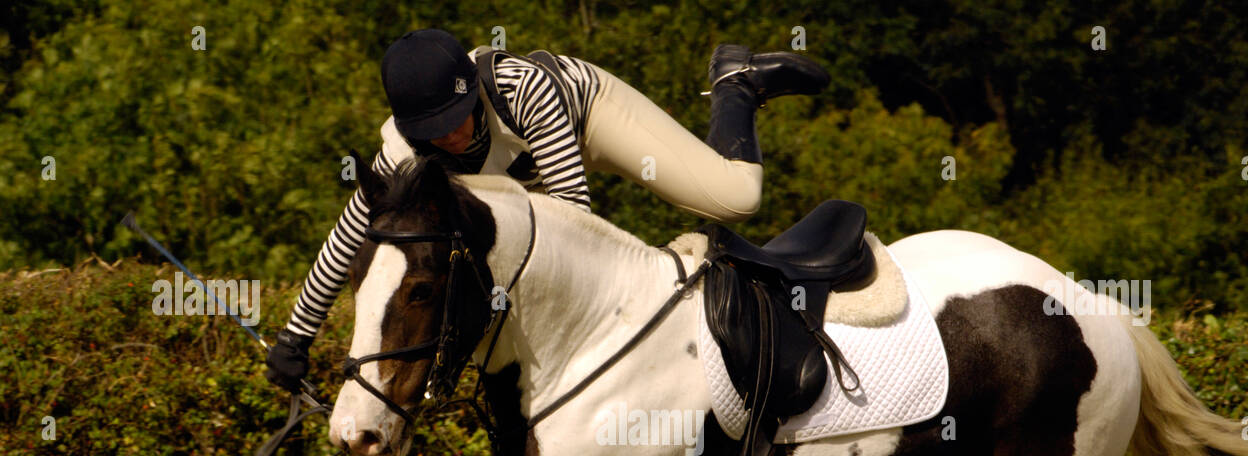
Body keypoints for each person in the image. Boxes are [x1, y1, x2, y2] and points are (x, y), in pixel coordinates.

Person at [266, 29, 829, 392]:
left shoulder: (524, 90)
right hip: (524, 186)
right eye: (434, 130)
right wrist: (296, 340)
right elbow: (347, 243)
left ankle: (736, 82)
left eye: (458, 116)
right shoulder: (403, 152)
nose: (453, 136)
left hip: (588, 123)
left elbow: (573, 221)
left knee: (739, 198)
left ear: (471, 94)